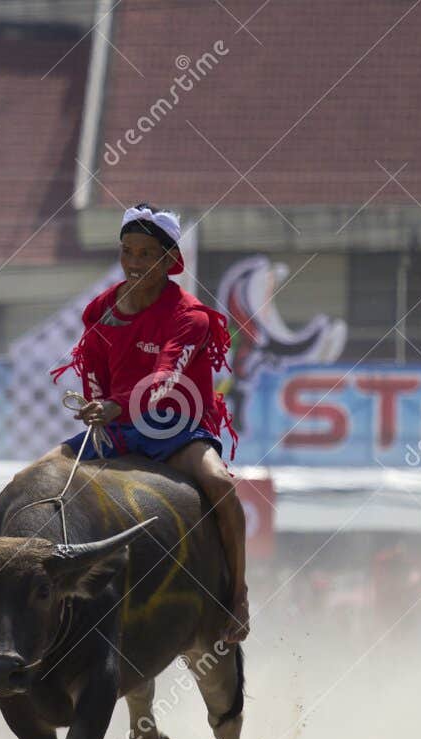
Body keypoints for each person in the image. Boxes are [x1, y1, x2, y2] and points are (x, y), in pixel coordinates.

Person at [48, 203, 250, 642]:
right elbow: (94, 366)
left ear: (168, 259)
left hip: (177, 428)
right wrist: (98, 405)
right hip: (118, 427)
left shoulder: (190, 316)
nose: (135, 263)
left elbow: (165, 378)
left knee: (221, 485)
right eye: (127, 252)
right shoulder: (100, 309)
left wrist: (115, 406)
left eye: (146, 254)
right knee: (43, 476)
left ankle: (237, 596)